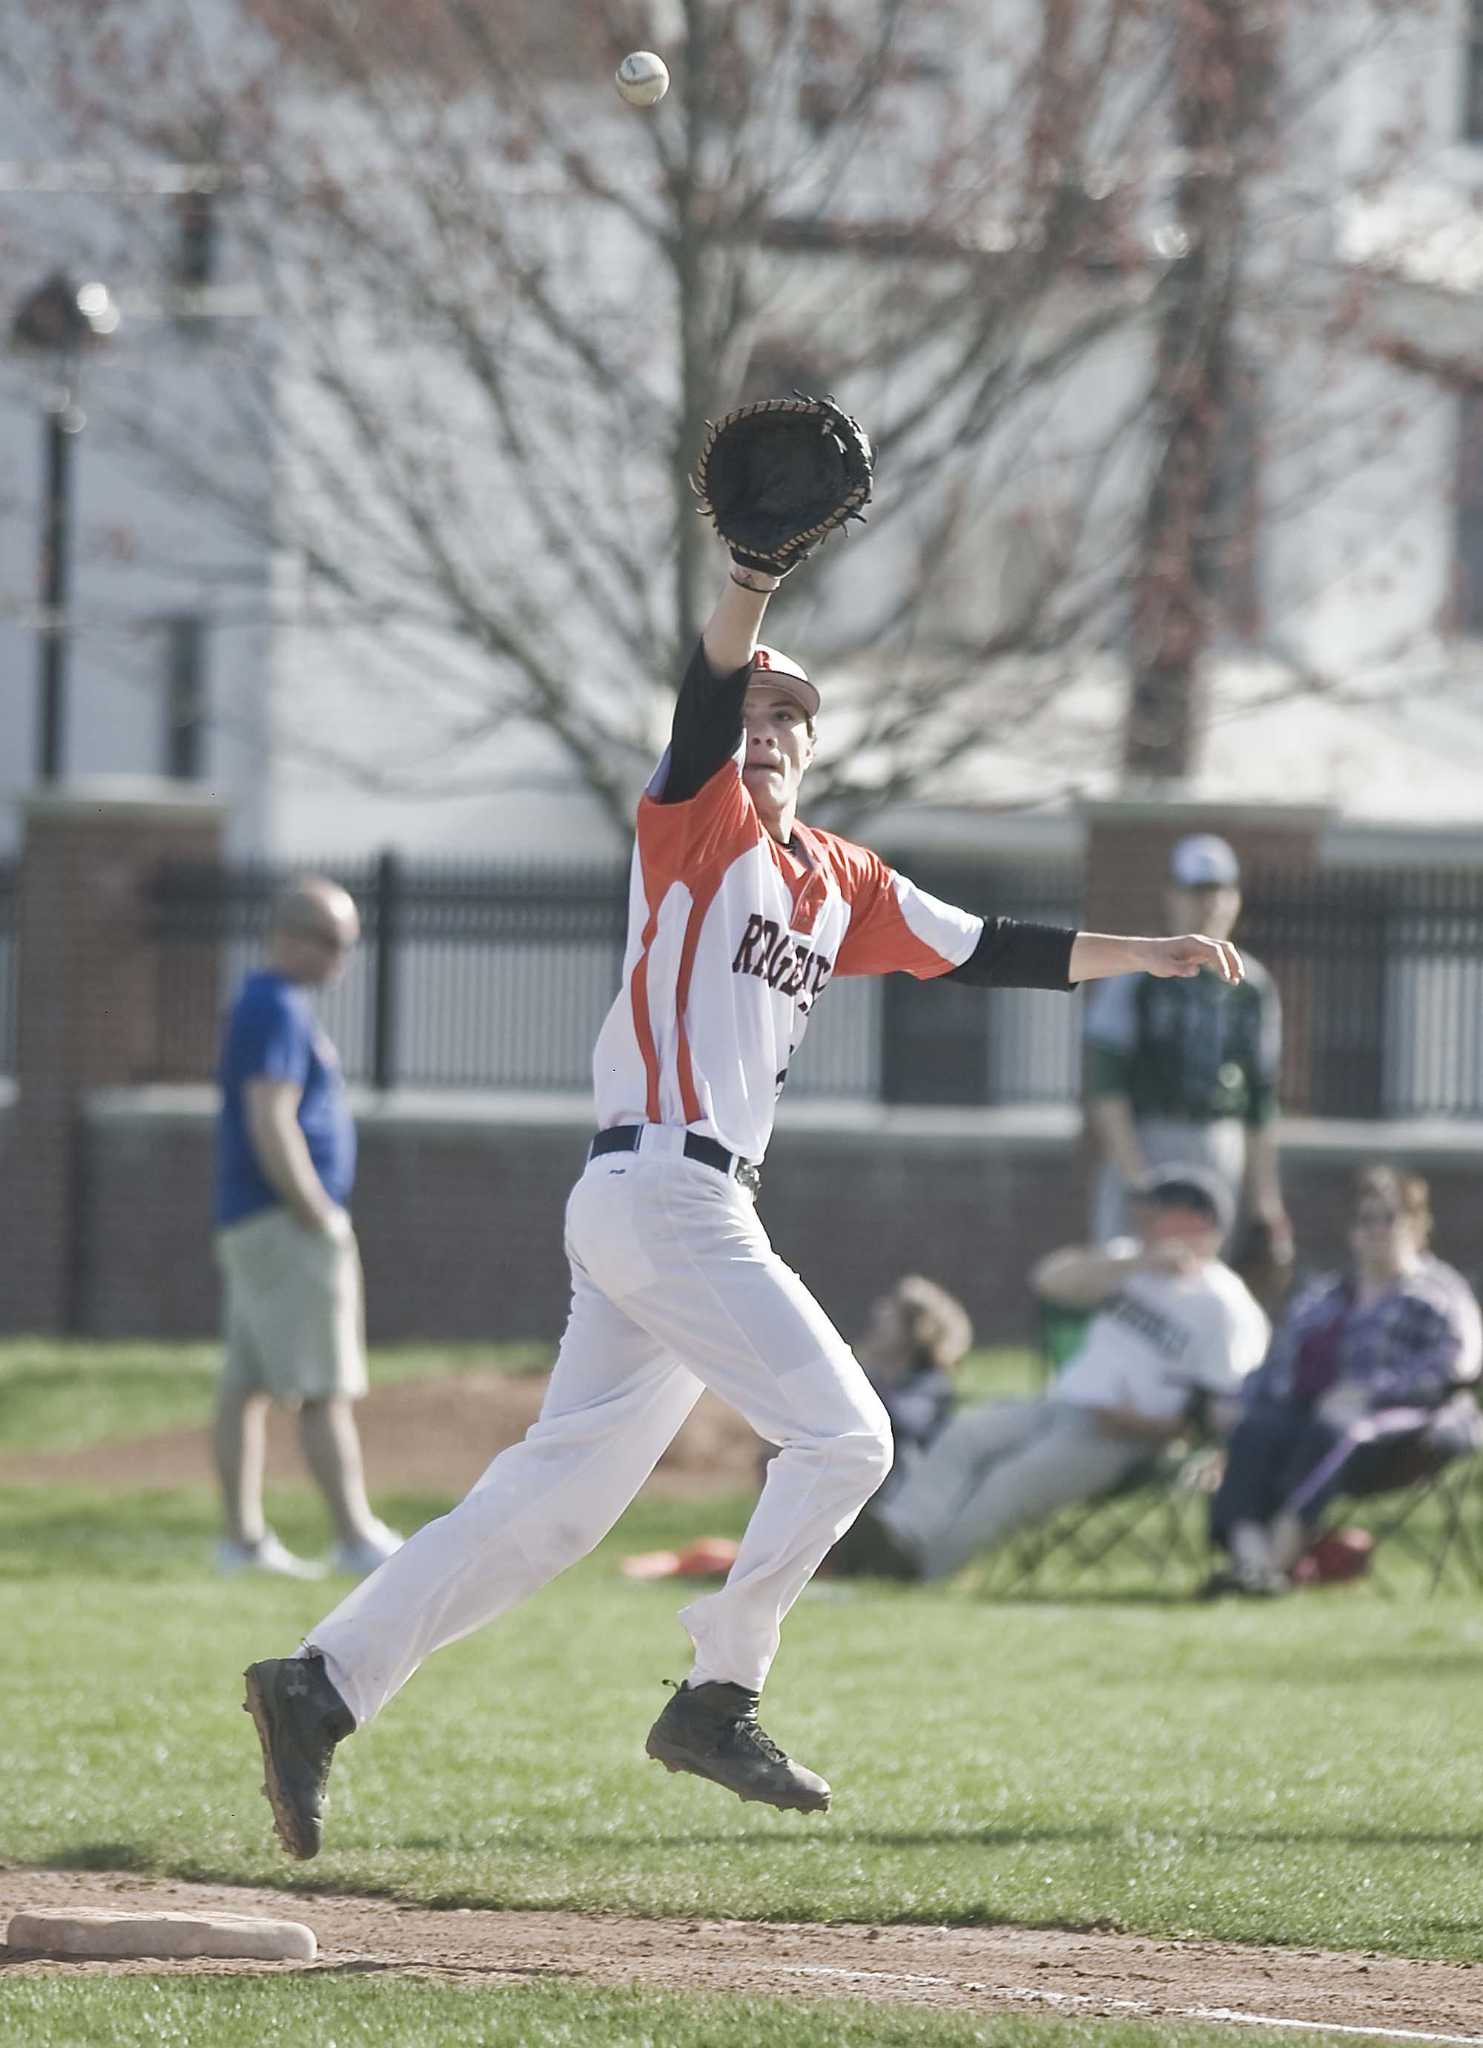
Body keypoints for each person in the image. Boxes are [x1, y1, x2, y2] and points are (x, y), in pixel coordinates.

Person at [242, 540, 1245, 1858]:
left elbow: (987, 949)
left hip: (658, 1206)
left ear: (814, 753)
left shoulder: (835, 881)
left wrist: (1149, 953)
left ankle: (320, 1682)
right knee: (848, 1440)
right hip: (661, 1190)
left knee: (549, 1508)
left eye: (791, 720)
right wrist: (752, 586)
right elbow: (703, 692)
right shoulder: (693, 826)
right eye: (753, 713)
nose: (767, 732)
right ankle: (718, 1691)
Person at [830, 1167, 1270, 1582]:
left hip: (1126, 1438)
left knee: (1010, 1482)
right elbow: (1050, 1280)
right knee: (968, 1434)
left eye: (1158, 1210)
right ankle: (896, 1534)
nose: (1143, 1218)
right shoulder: (1133, 1263)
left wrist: (1141, 1427)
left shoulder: (1227, 1306)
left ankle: (914, 1571)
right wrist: (1136, 1264)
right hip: (1061, 1404)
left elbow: (1220, 1411)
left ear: (1195, 1220)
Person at [213, 877, 402, 1581]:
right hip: (283, 1223)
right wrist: (314, 1208)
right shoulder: (277, 1006)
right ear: (288, 937)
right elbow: (271, 1114)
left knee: (245, 1384)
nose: (342, 956)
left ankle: (242, 1540)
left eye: (349, 942)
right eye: (330, 940)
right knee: (325, 1385)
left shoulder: (267, 1003)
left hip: (251, 1219)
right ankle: (355, 1535)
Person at [1206, 1166, 1483, 1596]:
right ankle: (1251, 1562)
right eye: (1364, 1219)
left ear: (1417, 1226)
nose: (1375, 1229)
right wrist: (1241, 1398)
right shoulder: (1323, 1297)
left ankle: (1275, 1563)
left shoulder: (1440, 1296)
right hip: (1301, 1424)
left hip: (1398, 1435)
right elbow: (1276, 1364)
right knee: (1253, 1430)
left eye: (1388, 1217)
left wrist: (1373, 1391)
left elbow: (1458, 1369)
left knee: (1334, 1428)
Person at [1083, 834, 1290, 1263]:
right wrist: (1136, 1177)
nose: (1210, 904)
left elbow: (1261, 1099)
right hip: (1149, 1134)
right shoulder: (1137, 972)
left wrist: (1266, 1198)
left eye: (1221, 891)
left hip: (1219, 1140)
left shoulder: (1253, 986)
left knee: (1208, 1272)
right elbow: (1105, 1082)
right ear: (1172, 897)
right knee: (1127, 1266)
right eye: (1198, 891)